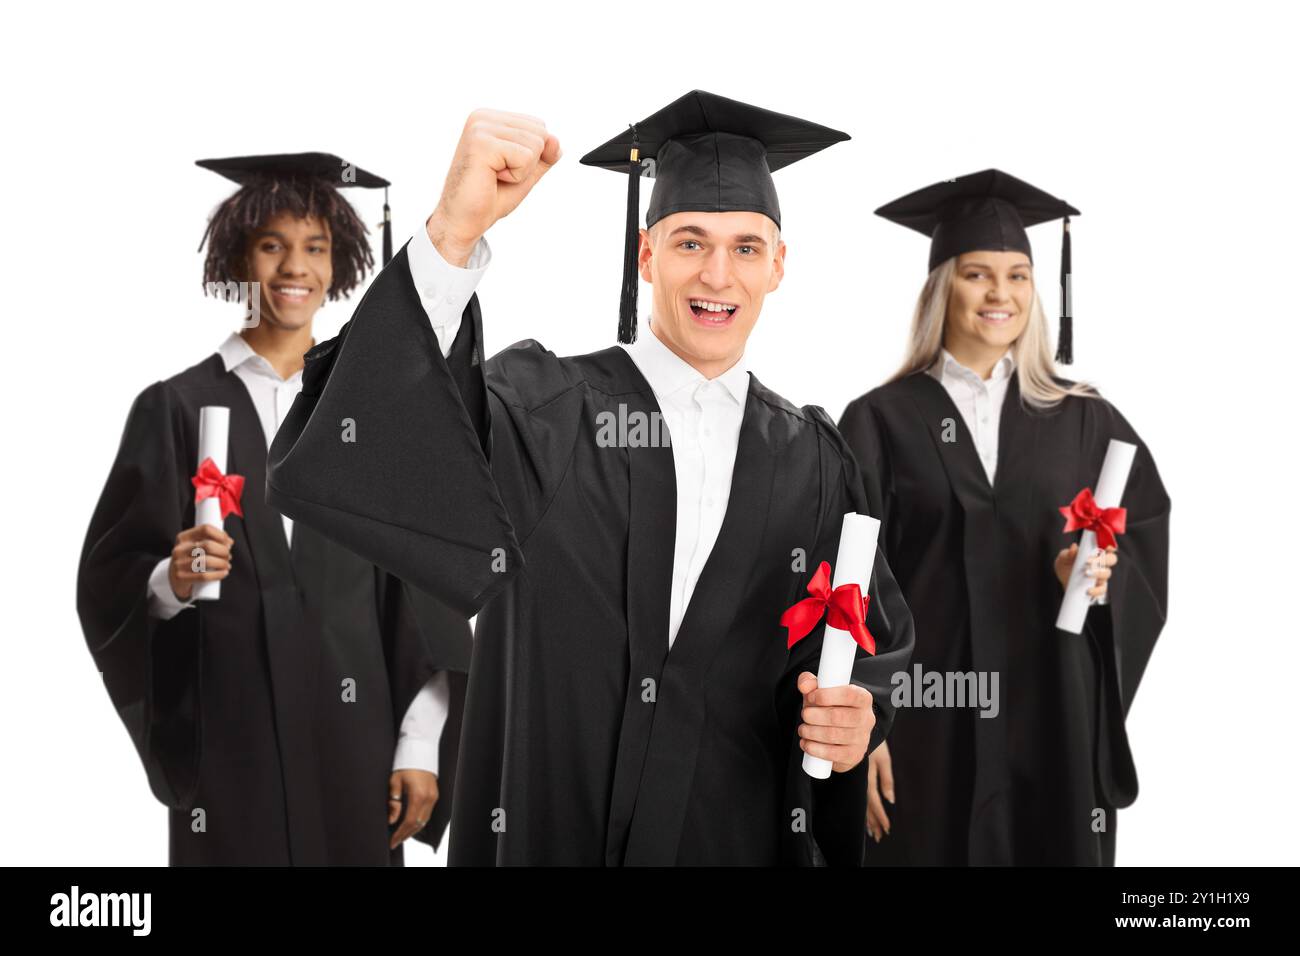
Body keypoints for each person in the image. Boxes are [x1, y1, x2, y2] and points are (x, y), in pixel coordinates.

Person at [268, 92, 916, 866]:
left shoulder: (815, 460)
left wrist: (859, 720)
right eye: (689, 243)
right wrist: (453, 236)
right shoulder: (547, 411)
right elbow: (372, 448)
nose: (719, 273)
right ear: (646, 257)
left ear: (778, 266)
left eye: (747, 248)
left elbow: (862, 645)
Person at [77, 152, 472, 865]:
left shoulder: (368, 414)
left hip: (356, 746)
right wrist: (174, 579)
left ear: (340, 262)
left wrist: (420, 745)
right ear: (237, 258)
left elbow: (422, 594)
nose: (295, 268)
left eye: (315, 247)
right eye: (272, 246)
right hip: (230, 743)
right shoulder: (175, 406)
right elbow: (107, 581)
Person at [837, 169, 1170, 865]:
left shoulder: (1086, 418)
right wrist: (865, 723)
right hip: (925, 721)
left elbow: (1141, 541)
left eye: (1018, 276)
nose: (1001, 294)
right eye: (978, 274)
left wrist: (1093, 578)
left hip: (1051, 716)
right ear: (941, 289)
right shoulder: (880, 421)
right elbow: (849, 584)